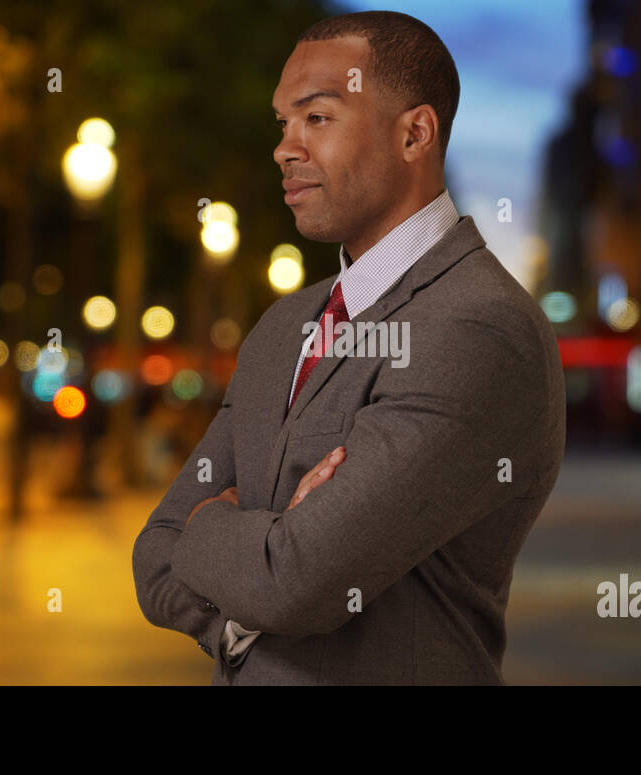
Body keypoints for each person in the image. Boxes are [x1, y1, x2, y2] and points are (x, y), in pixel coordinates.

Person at [132, 10, 565, 684]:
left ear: (415, 133)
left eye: (318, 118)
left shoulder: (479, 327)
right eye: (282, 123)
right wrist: (245, 608)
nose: (284, 147)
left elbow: (295, 580)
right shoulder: (283, 327)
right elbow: (154, 556)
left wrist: (214, 524)